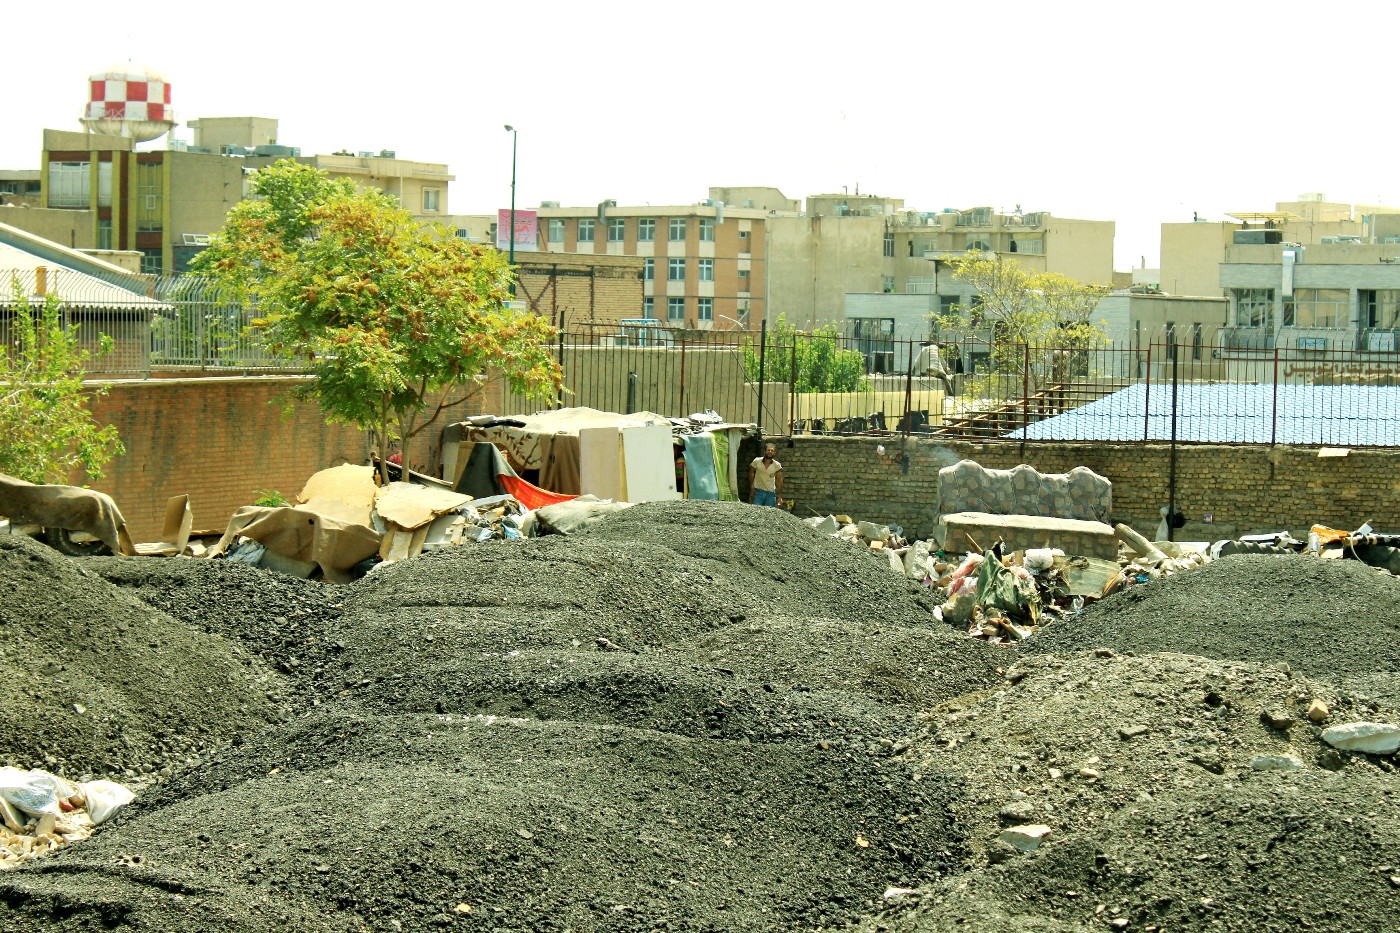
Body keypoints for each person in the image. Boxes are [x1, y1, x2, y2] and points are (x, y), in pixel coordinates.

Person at [748, 443, 783, 507]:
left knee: (769, 514)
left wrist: (780, 496)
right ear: (765, 451)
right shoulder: (757, 461)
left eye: (772, 450)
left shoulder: (777, 465)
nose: (770, 452)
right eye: (768, 450)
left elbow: (779, 480)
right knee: (756, 512)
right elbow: (751, 472)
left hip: (770, 493)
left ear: (775, 453)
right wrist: (751, 486)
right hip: (758, 492)